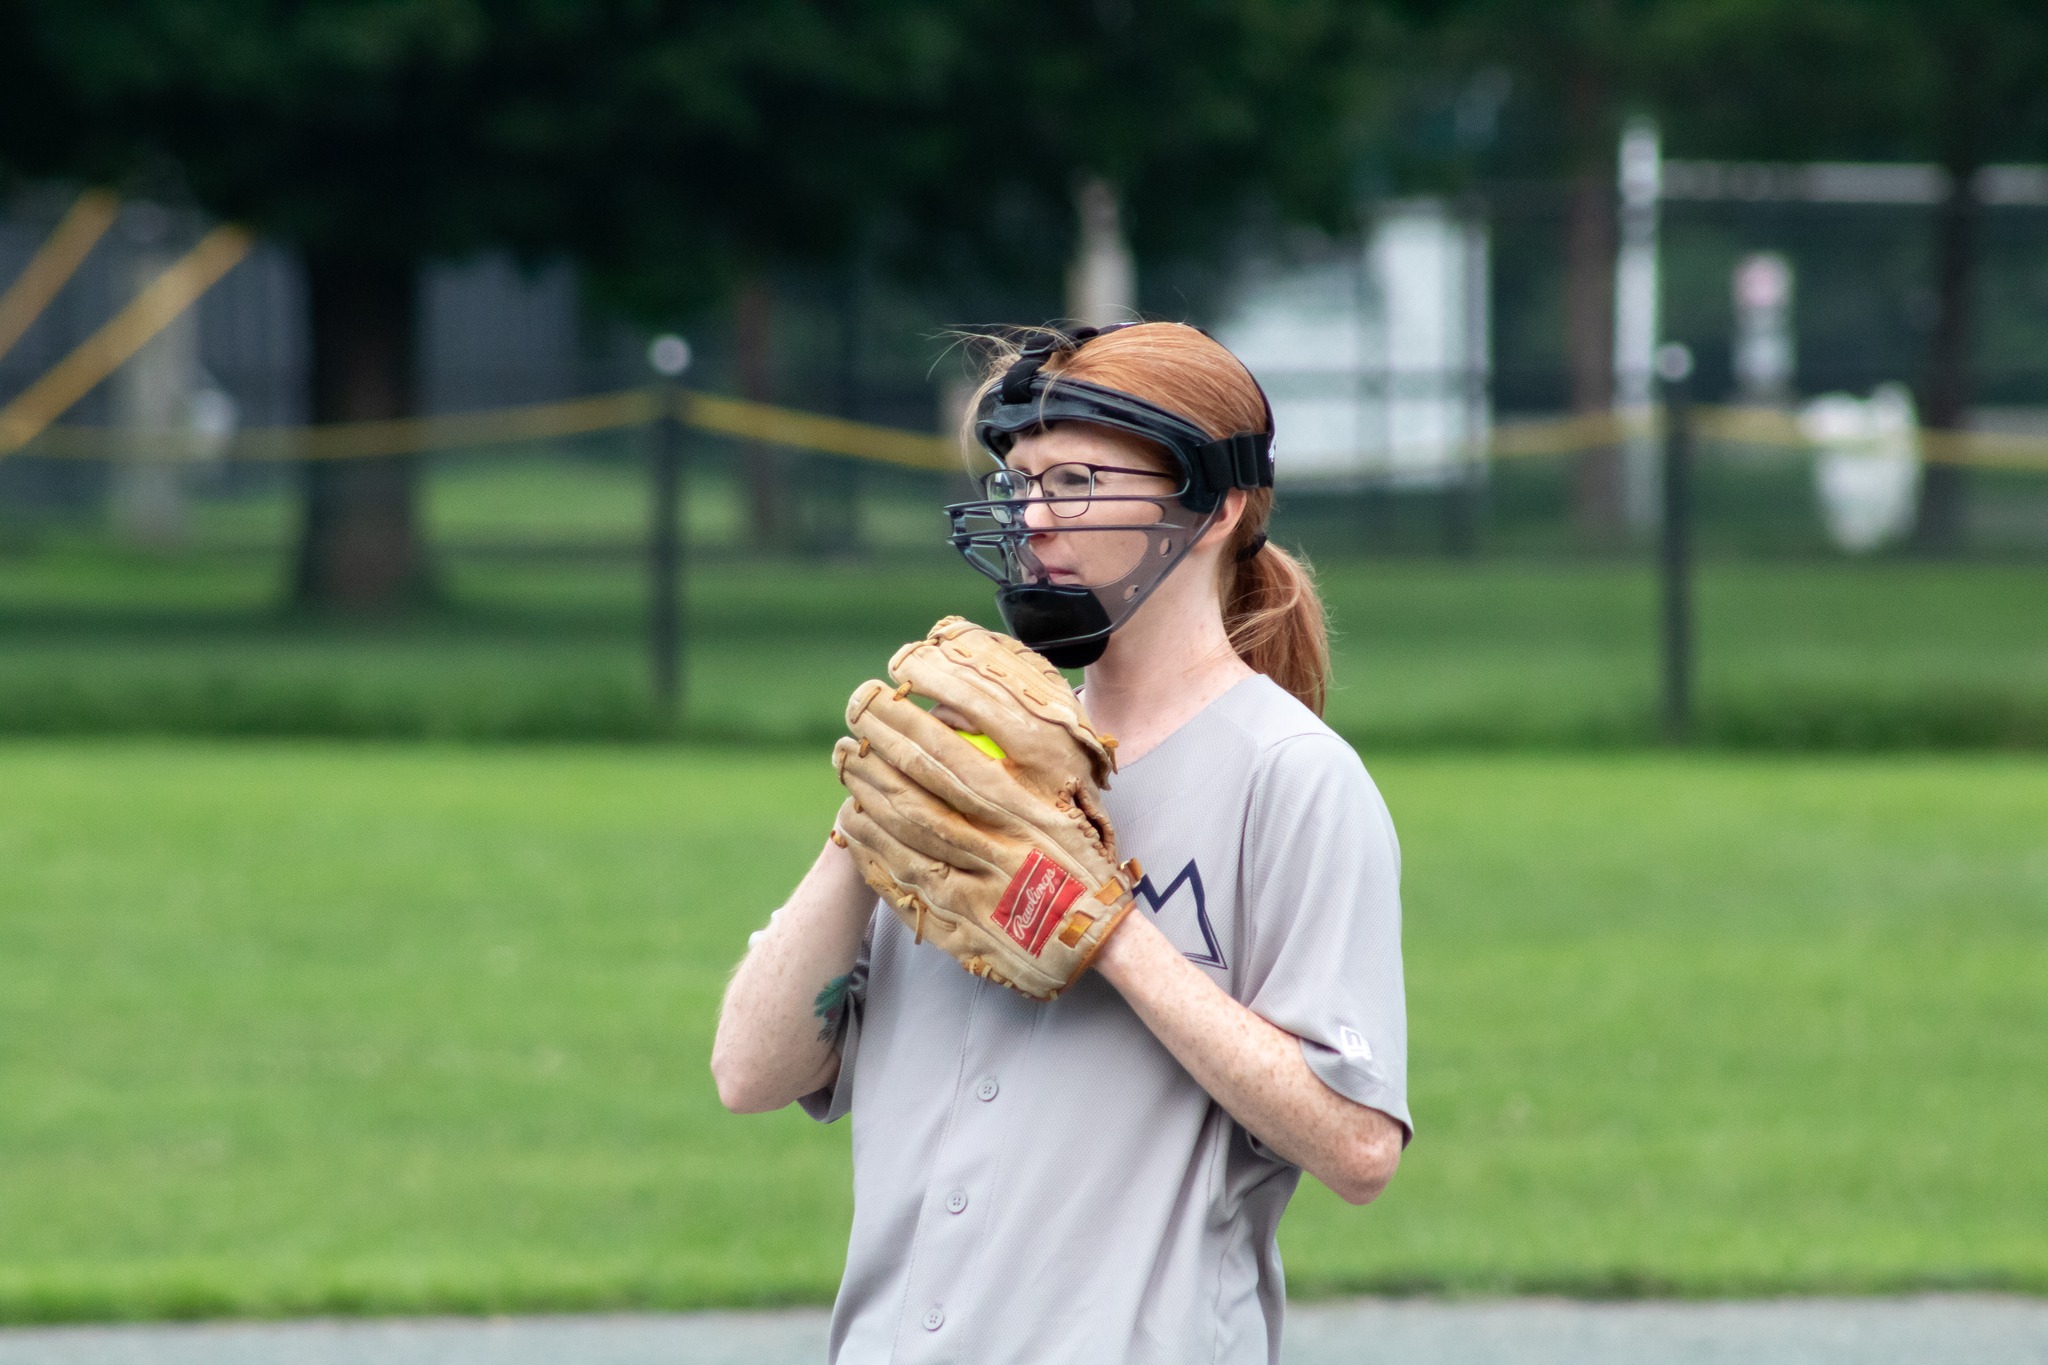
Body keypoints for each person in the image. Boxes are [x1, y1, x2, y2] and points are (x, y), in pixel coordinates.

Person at [711, 321, 1409, 1365]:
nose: (1033, 515)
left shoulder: (1290, 775)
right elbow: (749, 1072)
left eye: (1075, 481)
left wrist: (1103, 929)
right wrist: (871, 816)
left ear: (1214, 506)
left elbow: (1356, 1145)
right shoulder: (968, 766)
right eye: (1022, 481)